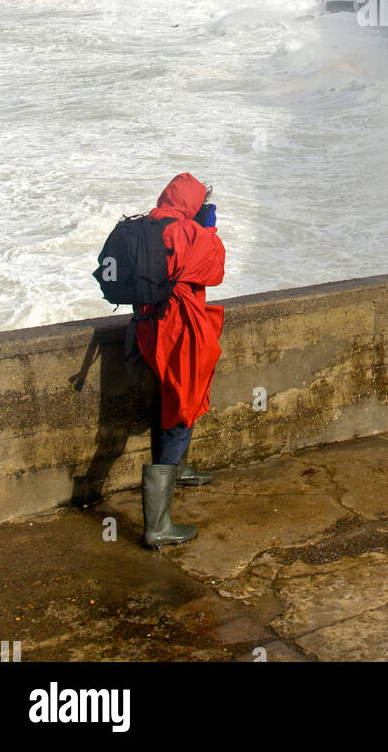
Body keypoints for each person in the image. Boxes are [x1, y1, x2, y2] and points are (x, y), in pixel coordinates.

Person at [135, 173, 226, 548]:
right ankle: (158, 526)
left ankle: (180, 468)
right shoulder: (187, 234)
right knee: (182, 402)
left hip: (149, 328)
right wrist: (209, 230)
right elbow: (215, 270)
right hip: (179, 331)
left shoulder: (147, 225)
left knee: (169, 400)